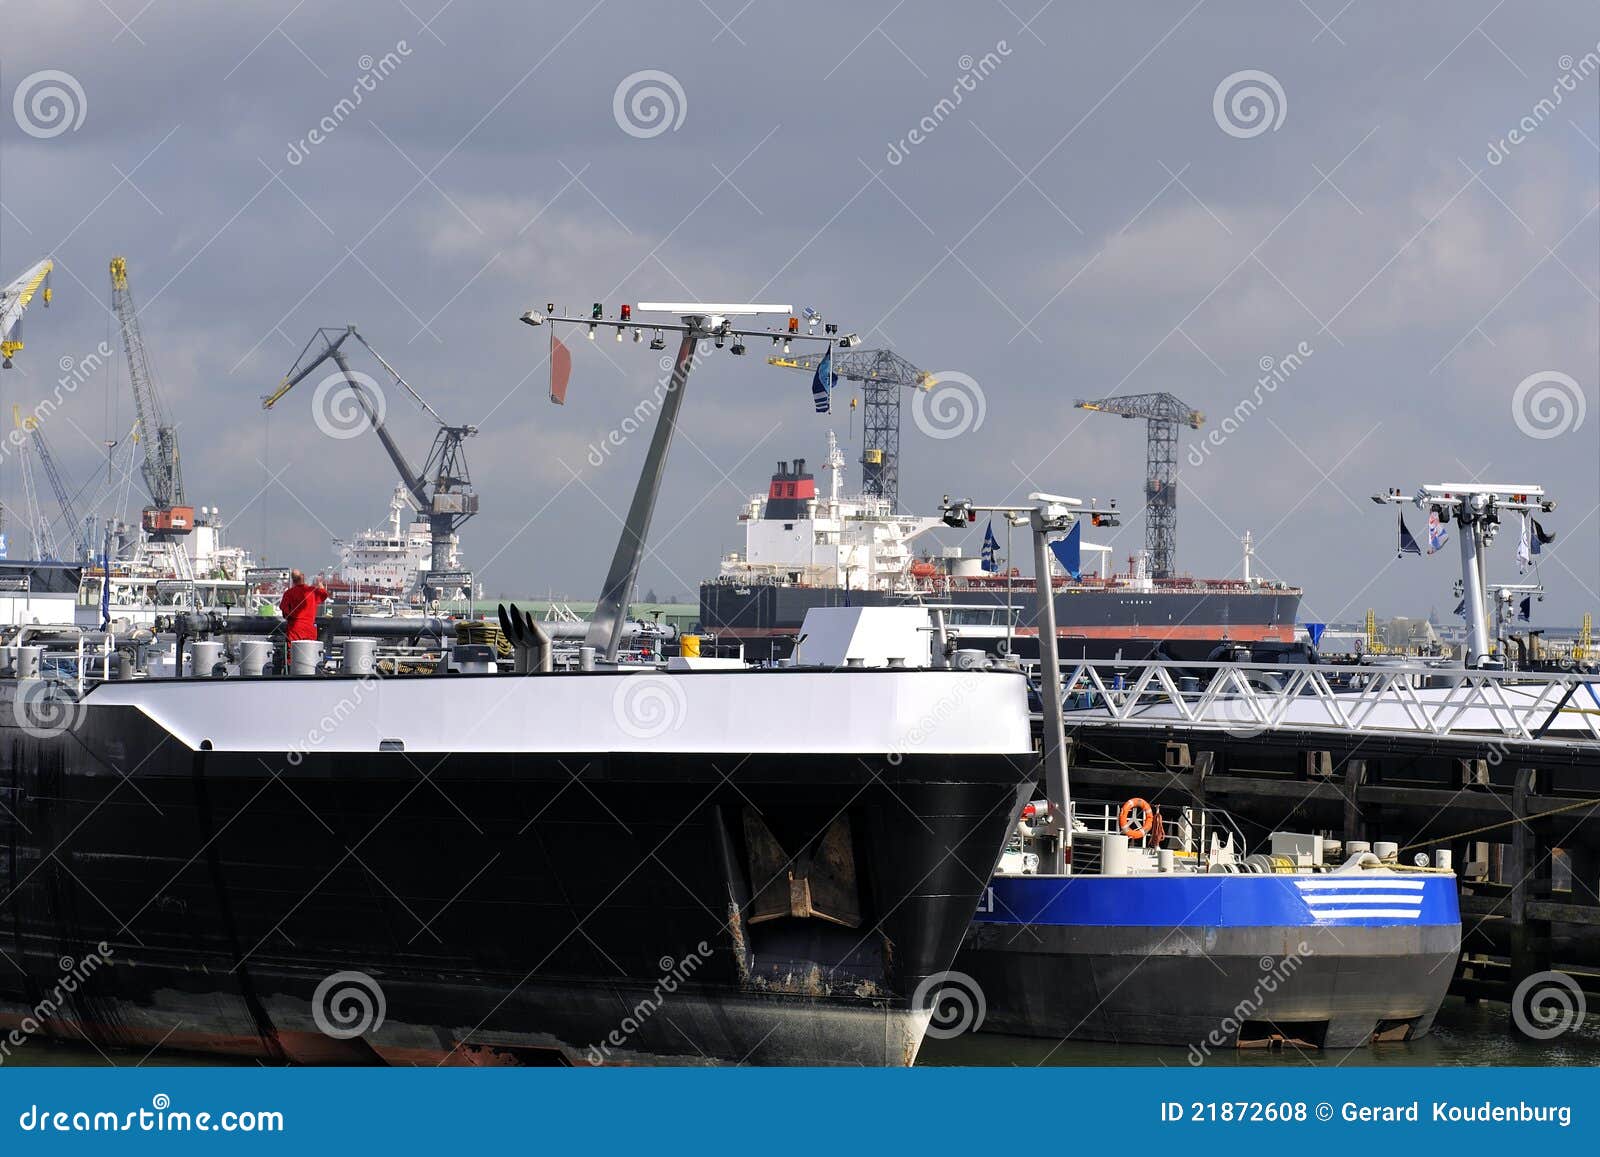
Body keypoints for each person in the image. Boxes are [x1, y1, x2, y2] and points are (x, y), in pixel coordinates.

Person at [279, 570, 330, 643]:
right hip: (309, 628)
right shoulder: (312, 591)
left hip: (295, 628)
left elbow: (285, 612)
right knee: (309, 651)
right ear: (303, 577)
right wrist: (320, 585)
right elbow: (324, 594)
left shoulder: (288, 593)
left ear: (293, 580)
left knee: (293, 651)